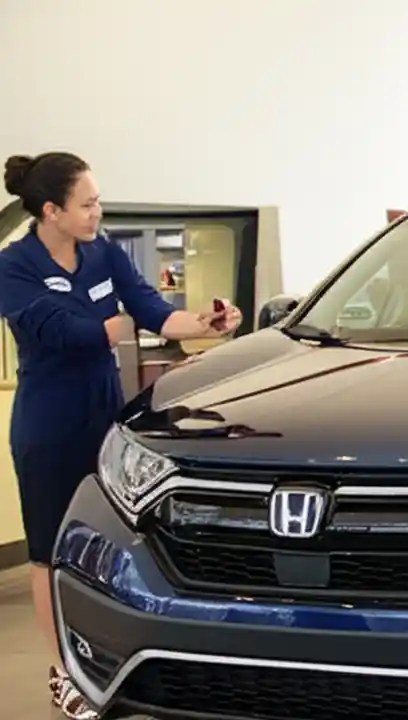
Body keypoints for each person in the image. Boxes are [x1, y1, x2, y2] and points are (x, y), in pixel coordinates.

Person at [0, 152, 243, 719]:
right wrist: (104, 329)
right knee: (49, 552)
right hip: (48, 424)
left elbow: (153, 311)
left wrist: (203, 325)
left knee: (109, 544)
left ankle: (116, 660)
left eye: (98, 202)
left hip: (104, 417)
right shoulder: (14, 266)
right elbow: (54, 329)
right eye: (87, 205)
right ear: (52, 211)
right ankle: (65, 672)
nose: (97, 213)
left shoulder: (105, 253)